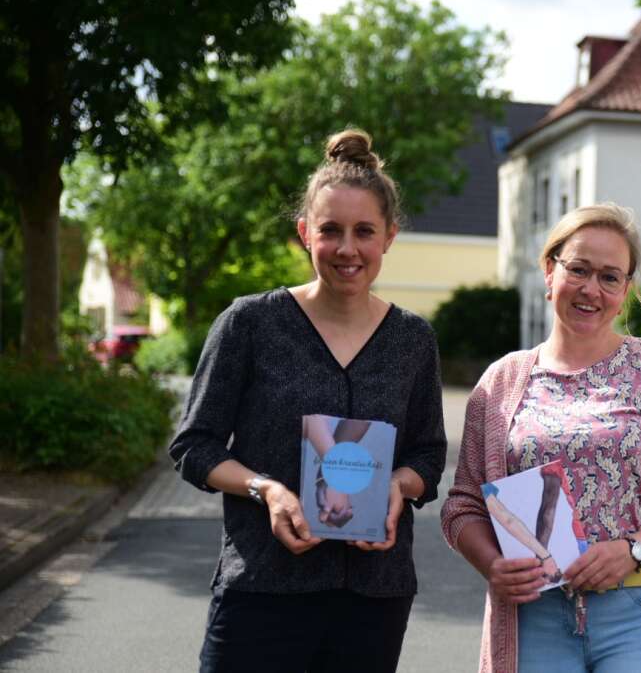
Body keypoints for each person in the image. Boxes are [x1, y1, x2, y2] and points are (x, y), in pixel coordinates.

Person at [168, 129, 447, 672]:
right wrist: (266, 490)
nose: (348, 248)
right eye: (331, 231)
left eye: (364, 231)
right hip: (263, 586)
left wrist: (397, 486)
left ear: (389, 237)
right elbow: (194, 446)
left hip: (374, 595)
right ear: (304, 233)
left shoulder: (414, 339)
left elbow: (429, 456)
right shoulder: (250, 323)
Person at [440, 203, 641, 673]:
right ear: (549, 271)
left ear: (626, 290)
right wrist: (492, 565)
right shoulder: (501, 381)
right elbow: (463, 506)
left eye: (610, 277)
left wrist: (633, 548)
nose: (591, 289)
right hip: (532, 616)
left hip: (640, 608)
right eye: (578, 269)